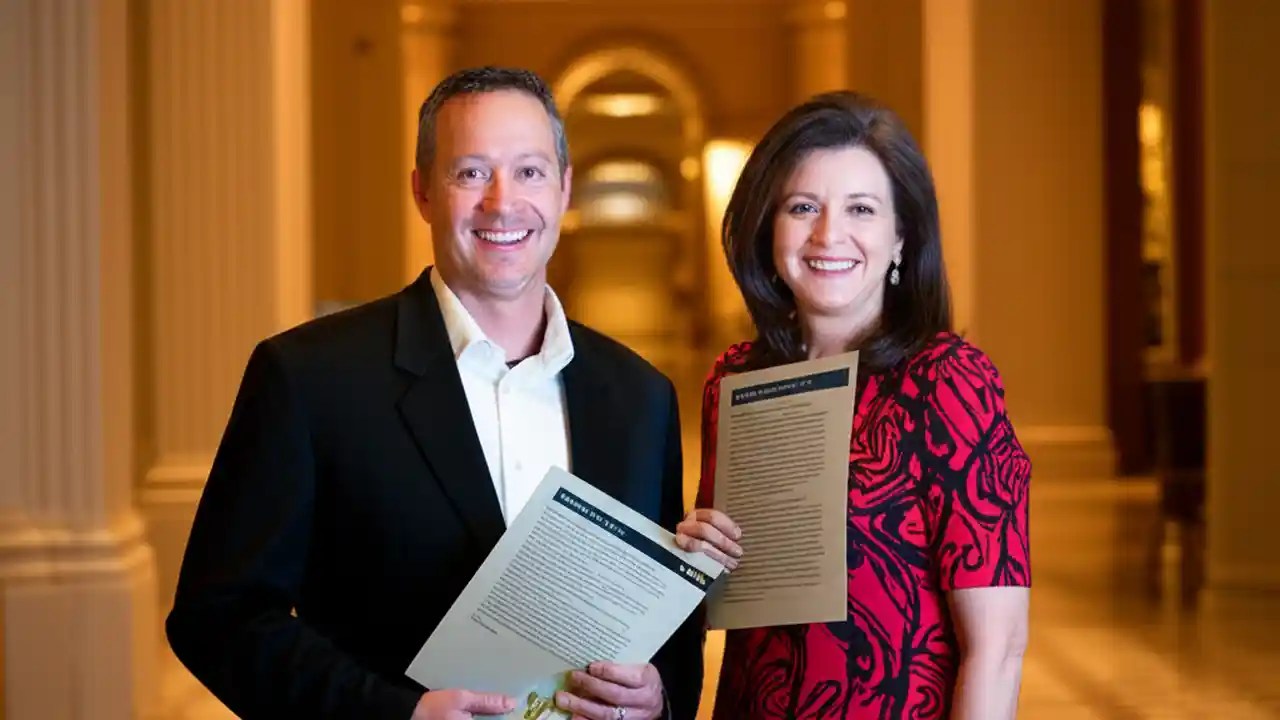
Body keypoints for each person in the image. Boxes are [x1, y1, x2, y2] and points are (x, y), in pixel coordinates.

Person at [166, 66, 702, 720]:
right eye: (470, 173)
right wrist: (396, 714)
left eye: (530, 172)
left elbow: (666, 634)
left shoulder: (641, 398)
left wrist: (658, 701)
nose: (502, 202)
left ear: (564, 189)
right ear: (422, 191)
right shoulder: (309, 379)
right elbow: (217, 618)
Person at [675, 92, 1031, 719]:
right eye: (803, 207)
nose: (827, 234)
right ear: (769, 229)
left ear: (901, 238)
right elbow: (735, 603)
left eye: (860, 209)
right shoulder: (737, 379)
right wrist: (693, 559)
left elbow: (996, 648)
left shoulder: (949, 382)